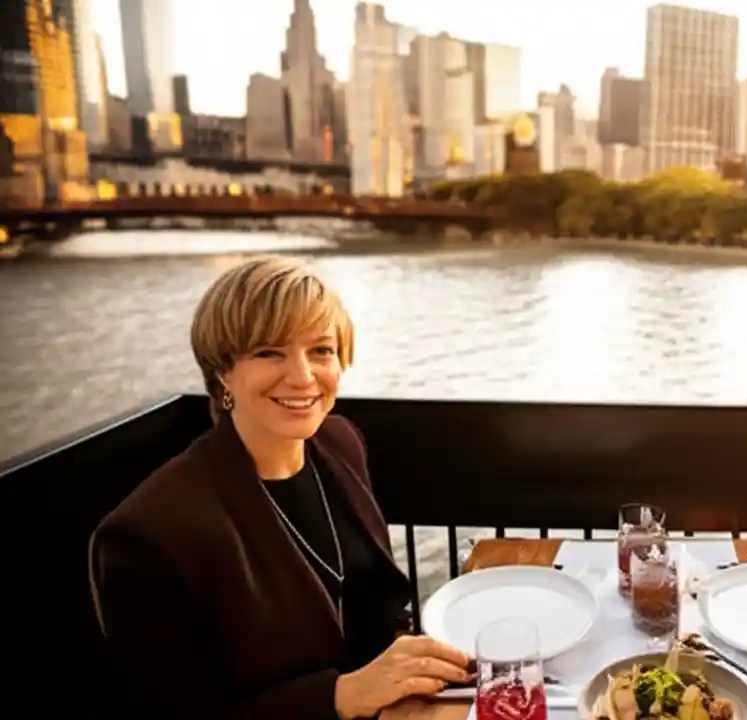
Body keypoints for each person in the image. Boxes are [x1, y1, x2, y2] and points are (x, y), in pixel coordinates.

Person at [89, 256, 470, 719]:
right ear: (223, 372)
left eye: (321, 350)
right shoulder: (149, 534)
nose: (303, 376)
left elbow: (376, 609)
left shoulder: (339, 442)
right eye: (269, 352)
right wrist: (341, 696)